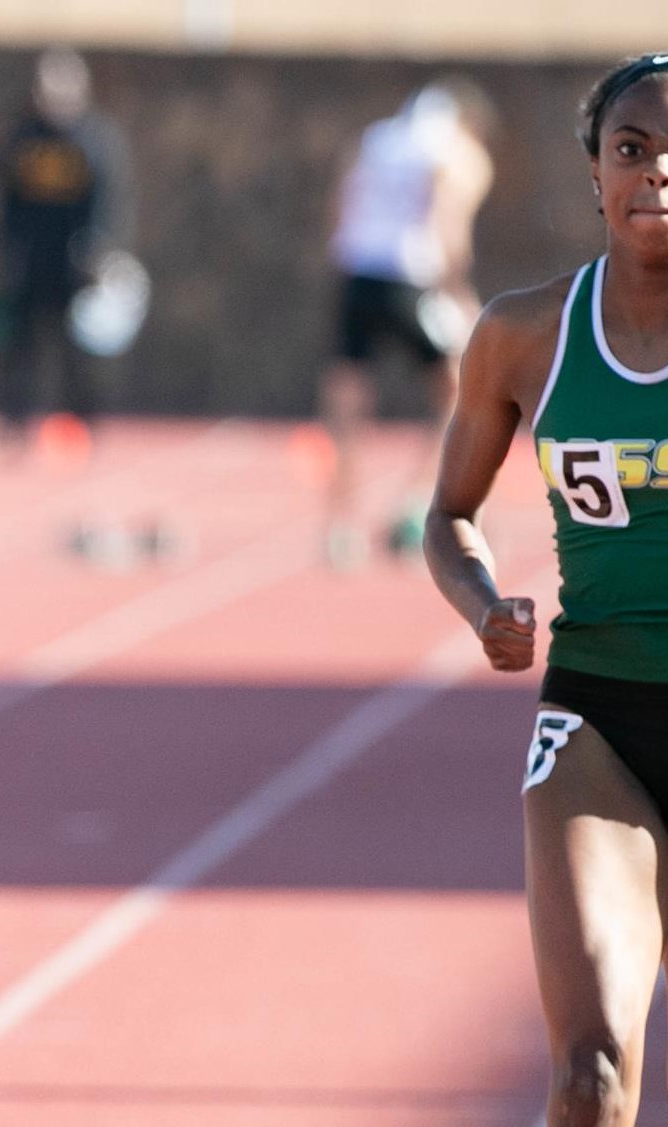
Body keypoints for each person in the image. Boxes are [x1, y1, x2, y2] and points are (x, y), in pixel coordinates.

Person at [425, 53, 668, 1125]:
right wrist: (482, 604)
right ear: (592, 174)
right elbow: (445, 514)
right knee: (589, 1074)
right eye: (630, 148)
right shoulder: (523, 334)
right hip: (597, 718)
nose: (654, 172)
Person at [324, 78, 494, 568]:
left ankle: (340, 521)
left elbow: (342, 205)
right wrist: (457, 289)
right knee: (461, 389)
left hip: (357, 272)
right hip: (412, 276)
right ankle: (417, 504)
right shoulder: (455, 150)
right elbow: (447, 216)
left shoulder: (375, 138)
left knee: (347, 395)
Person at [0, 46, 132, 450]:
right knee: (20, 345)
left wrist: (99, 251)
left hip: (75, 263)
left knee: (79, 350)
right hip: (32, 257)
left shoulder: (94, 140)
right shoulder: (21, 138)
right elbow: (6, 201)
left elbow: (106, 201)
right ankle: (14, 422)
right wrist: (5, 253)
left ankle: (83, 423)